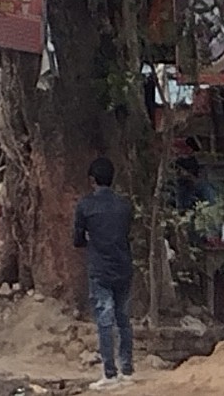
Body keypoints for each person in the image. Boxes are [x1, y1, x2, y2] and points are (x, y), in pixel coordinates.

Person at [73, 156, 136, 384]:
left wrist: (90, 237)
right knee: (123, 319)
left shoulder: (85, 206)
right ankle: (127, 370)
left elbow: (77, 240)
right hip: (123, 267)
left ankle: (109, 373)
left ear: (92, 180)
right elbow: (127, 232)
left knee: (105, 320)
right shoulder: (125, 205)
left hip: (100, 270)